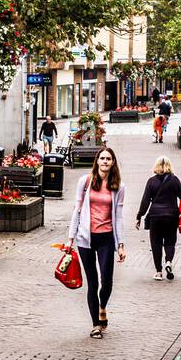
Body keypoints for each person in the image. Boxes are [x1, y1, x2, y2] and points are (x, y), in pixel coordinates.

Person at [66, 145, 126, 339]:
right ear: (97, 161)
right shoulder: (85, 182)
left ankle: (102, 306)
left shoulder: (119, 187)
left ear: (113, 162)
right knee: (92, 281)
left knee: (106, 280)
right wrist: (70, 239)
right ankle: (95, 325)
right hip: (85, 238)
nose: (105, 162)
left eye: (108, 159)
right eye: (102, 159)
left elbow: (118, 217)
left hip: (106, 238)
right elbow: (77, 210)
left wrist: (121, 244)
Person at [136, 156, 181, 280]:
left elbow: (145, 201)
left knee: (156, 243)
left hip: (155, 217)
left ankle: (158, 272)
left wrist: (139, 216)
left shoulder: (151, 181)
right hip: (171, 216)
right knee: (170, 242)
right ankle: (168, 262)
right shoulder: (174, 180)